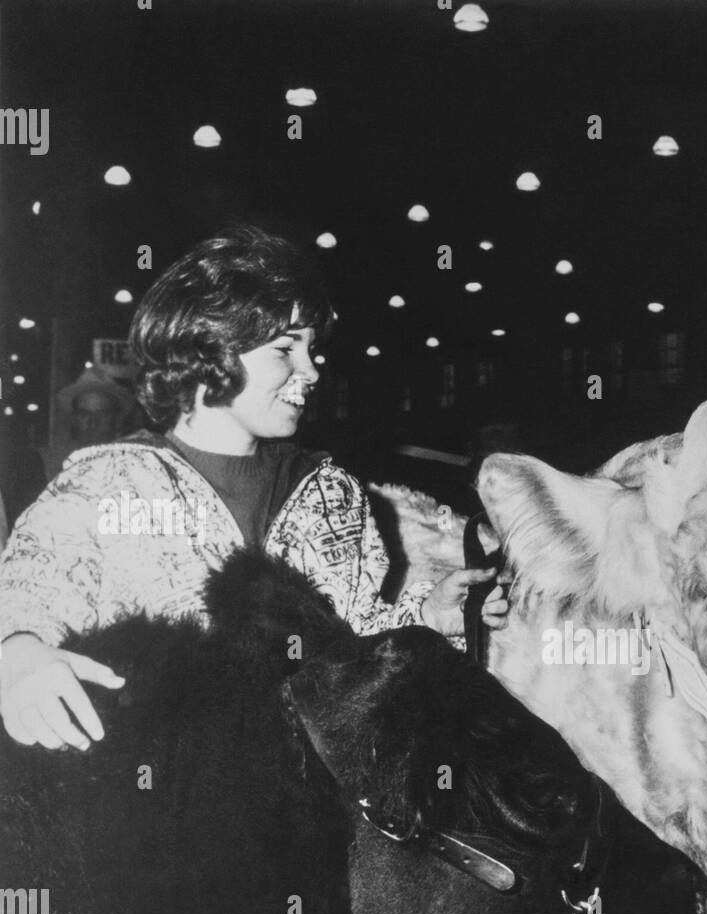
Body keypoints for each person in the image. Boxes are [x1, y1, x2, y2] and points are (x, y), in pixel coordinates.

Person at [0, 225, 506, 752]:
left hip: (309, 800)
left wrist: (425, 614)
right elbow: (26, 602)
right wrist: (18, 654)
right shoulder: (103, 485)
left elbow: (353, 635)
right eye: (286, 349)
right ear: (210, 346)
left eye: (313, 349)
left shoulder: (333, 492)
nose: (310, 371)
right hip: (162, 794)